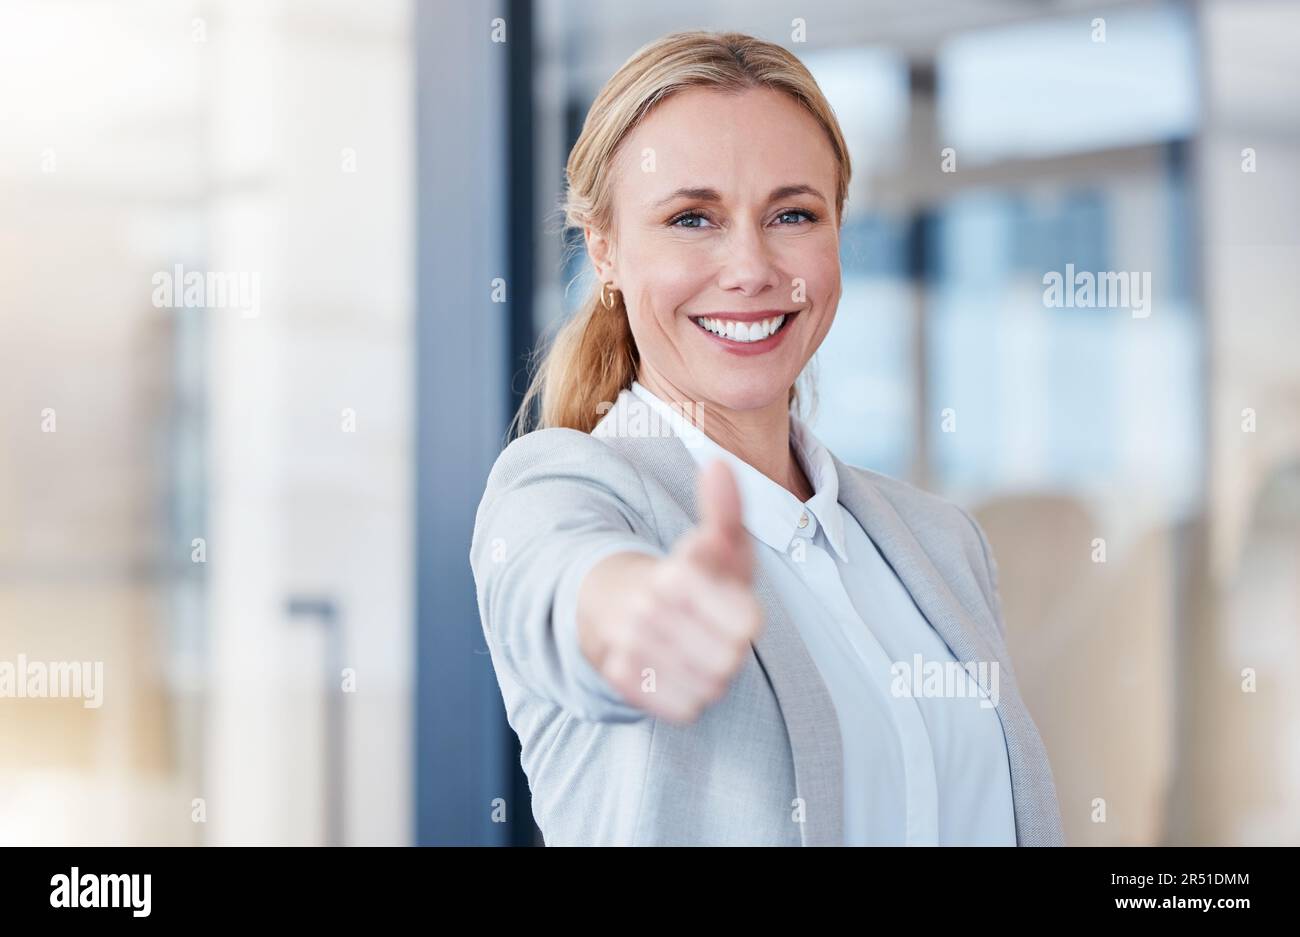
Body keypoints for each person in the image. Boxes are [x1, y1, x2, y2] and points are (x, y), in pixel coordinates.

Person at [470, 30, 1063, 846]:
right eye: (692, 218)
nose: (750, 267)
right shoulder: (562, 487)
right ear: (604, 251)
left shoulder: (941, 540)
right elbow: (563, 588)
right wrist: (637, 614)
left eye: (791, 213)